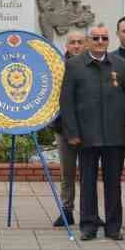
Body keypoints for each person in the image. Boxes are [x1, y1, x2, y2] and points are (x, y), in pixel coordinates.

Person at [60, 23, 125, 240]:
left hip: (114, 135)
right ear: (88, 41)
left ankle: (113, 227)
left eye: (104, 38)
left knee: (113, 184)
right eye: (96, 38)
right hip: (86, 136)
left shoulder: (120, 64)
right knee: (88, 183)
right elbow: (66, 102)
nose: (100, 42)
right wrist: (72, 133)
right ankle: (88, 226)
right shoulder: (74, 65)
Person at [51, 28, 86, 227]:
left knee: (88, 173)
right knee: (67, 173)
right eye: (73, 42)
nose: (76, 46)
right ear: (66, 45)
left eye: (80, 42)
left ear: (85, 44)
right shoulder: (57, 67)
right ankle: (67, 210)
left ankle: (90, 212)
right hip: (63, 128)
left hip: (88, 129)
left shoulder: (91, 65)